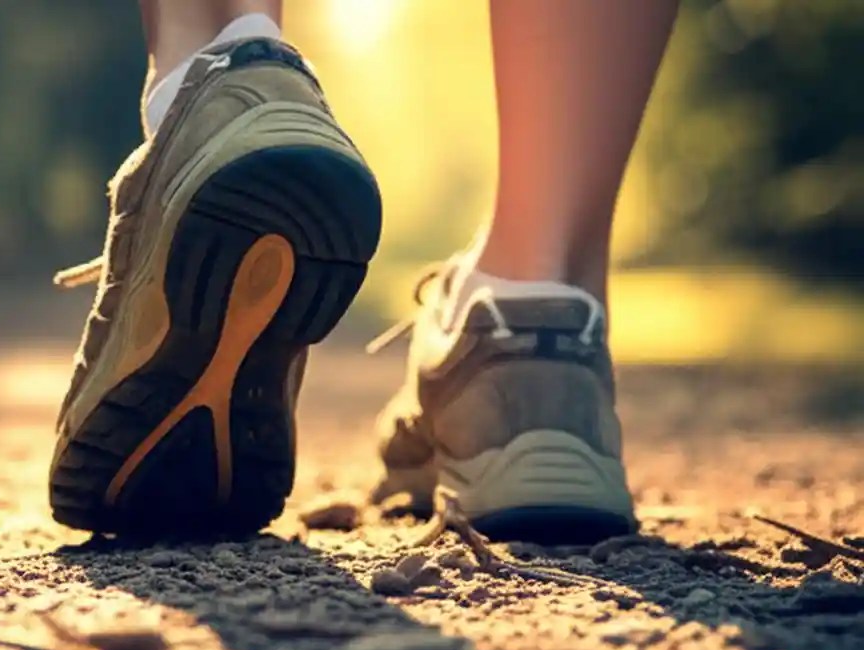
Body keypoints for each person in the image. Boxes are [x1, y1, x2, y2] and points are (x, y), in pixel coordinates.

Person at [48, 0, 678, 542]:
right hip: (576, 363)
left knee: (214, 38)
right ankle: (543, 309)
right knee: (543, 269)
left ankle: (218, 72)